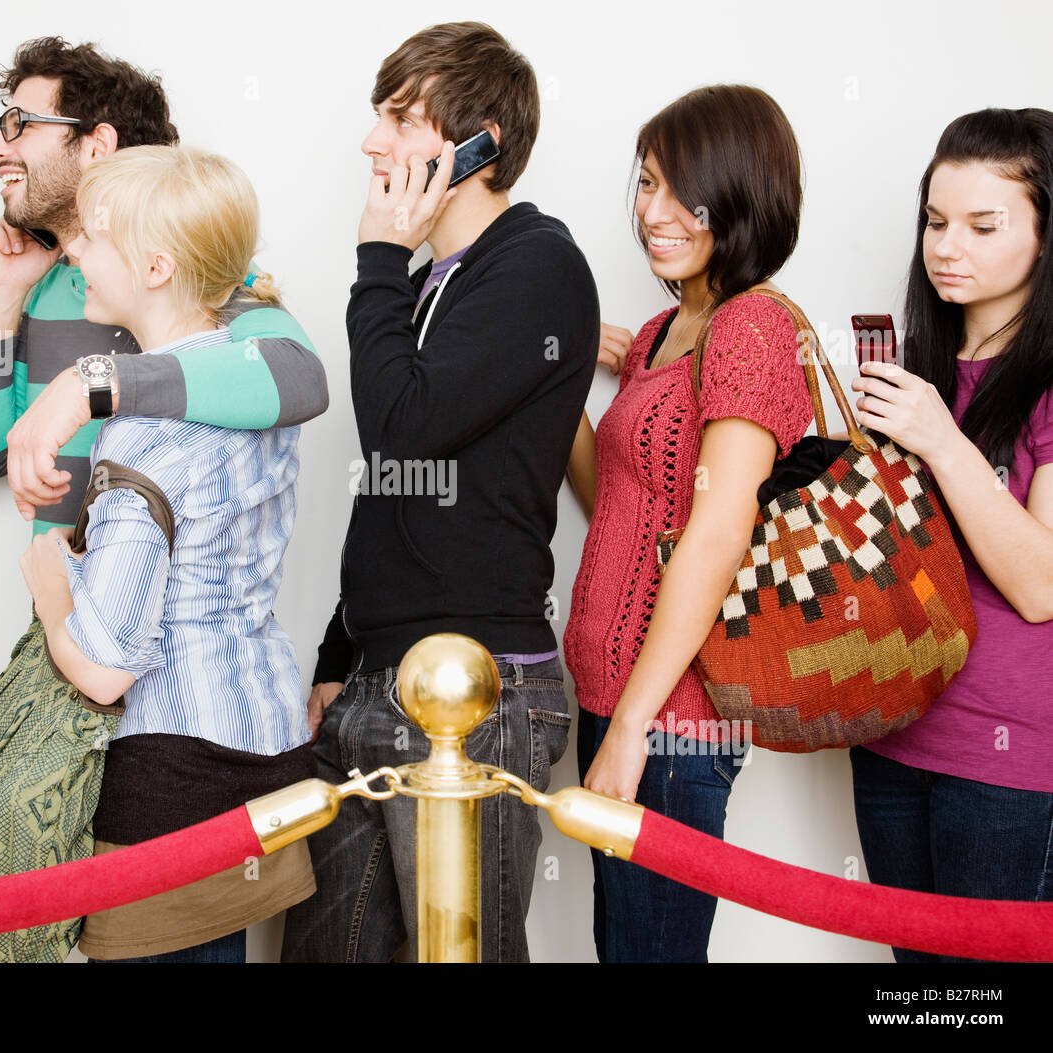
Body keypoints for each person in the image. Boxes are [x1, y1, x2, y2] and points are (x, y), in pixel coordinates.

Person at [279, 21, 600, 963]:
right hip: (380, 678)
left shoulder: (534, 264)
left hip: (479, 691)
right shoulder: (431, 280)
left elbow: (400, 424)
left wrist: (378, 256)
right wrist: (345, 649)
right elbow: (399, 486)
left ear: (480, 144)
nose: (373, 143)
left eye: (400, 117)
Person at [19, 144, 314, 964]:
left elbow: (107, 667)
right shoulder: (252, 379)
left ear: (155, 264)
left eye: (94, 233)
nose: (75, 247)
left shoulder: (146, 426)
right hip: (261, 743)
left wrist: (49, 576)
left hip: (171, 773)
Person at [564, 85, 815, 962]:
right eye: (644, 183)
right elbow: (622, 509)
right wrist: (555, 373)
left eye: (681, 190)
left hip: (672, 717)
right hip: (613, 698)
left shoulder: (749, 328)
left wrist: (634, 724)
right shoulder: (664, 331)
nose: (652, 212)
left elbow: (715, 534)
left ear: (741, 195)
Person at [0, 37, 327, 531]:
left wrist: (89, 385)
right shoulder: (43, 289)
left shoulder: (189, 268)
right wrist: (0, 300)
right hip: (57, 608)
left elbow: (299, 377)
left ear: (97, 145)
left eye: (17, 126)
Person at [846, 108, 1053, 963]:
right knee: (921, 993)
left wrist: (940, 438)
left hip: (1007, 756)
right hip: (889, 729)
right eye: (935, 222)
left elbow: (1041, 586)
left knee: (983, 1004)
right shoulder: (912, 374)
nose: (947, 247)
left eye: (982, 224)